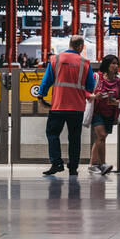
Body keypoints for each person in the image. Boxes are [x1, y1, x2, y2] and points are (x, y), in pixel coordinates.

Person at [37, 34, 95, 177]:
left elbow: (46, 81)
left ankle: (56, 162)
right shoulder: (85, 63)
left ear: (70, 44)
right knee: (74, 138)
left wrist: (41, 95)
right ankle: (73, 167)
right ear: (80, 47)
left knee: (52, 133)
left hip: (58, 106)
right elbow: (90, 86)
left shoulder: (56, 59)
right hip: (77, 107)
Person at [88, 55, 120, 176]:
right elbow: (86, 91)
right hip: (97, 112)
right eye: (113, 63)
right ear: (106, 65)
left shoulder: (118, 81)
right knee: (101, 136)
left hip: (110, 113)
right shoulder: (97, 77)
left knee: (100, 138)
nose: (116, 66)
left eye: (117, 63)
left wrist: (115, 102)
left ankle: (92, 165)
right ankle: (103, 164)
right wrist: (95, 96)